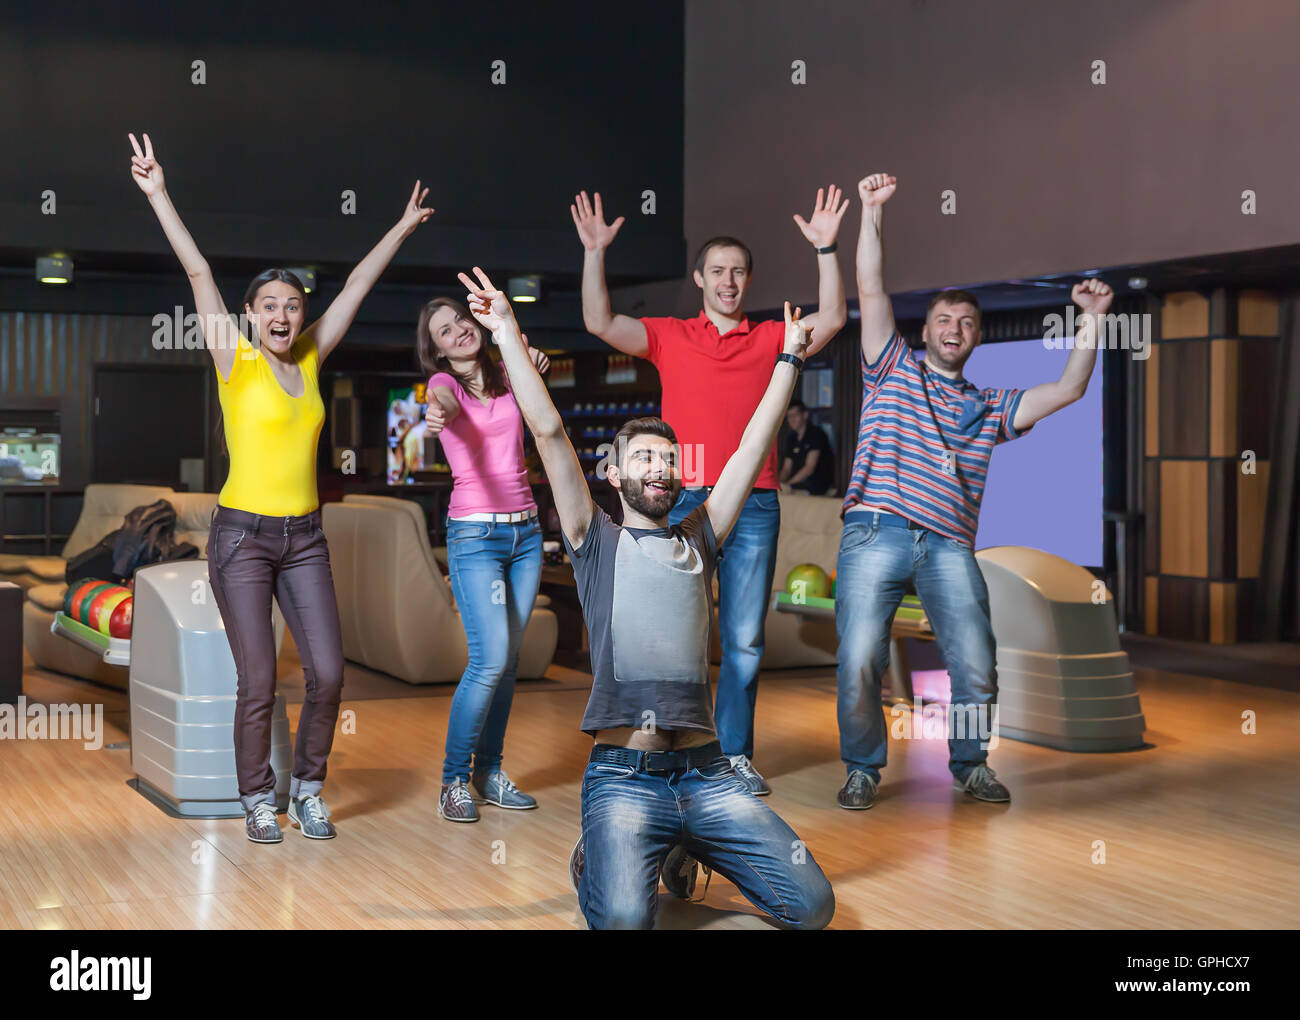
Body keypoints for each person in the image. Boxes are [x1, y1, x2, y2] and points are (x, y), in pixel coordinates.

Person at [456, 266, 834, 930]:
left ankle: (683, 844)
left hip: (708, 774)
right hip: (625, 777)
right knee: (627, 922)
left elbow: (751, 445)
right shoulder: (594, 541)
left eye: (668, 460)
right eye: (644, 459)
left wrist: (788, 357)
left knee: (812, 908)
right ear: (614, 473)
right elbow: (547, 433)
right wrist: (507, 332)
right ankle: (603, 855)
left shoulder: (701, 538)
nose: (660, 468)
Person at [129, 132, 433, 842]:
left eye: (291, 304)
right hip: (241, 539)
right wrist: (158, 194)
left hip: (305, 540)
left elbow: (357, 283)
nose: (281, 314)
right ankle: (256, 797)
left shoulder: (313, 355)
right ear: (249, 314)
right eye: (268, 303)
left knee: (328, 674)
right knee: (259, 683)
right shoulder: (234, 358)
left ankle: (308, 788)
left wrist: (397, 227)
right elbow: (199, 271)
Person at [835, 172, 1113, 810]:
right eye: (942, 318)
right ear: (925, 330)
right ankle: (862, 769)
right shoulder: (890, 366)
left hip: (951, 544)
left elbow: (1068, 389)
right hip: (876, 527)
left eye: (965, 321)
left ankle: (969, 764)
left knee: (976, 661)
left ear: (977, 337)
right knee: (857, 656)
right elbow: (870, 286)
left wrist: (1092, 321)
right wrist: (873, 213)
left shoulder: (992, 407)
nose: (953, 327)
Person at [570, 186, 850, 794]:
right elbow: (598, 321)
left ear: (749, 280)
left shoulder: (773, 336)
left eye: (739, 272)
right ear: (699, 277)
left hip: (756, 501)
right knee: (684, 636)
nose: (729, 281)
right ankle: (679, 748)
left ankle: (734, 757)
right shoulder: (671, 335)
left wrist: (827, 248)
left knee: (745, 640)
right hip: (685, 499)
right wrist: (596, 253)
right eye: (718, 271)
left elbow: (832, 321)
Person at [417, 296, 551, 822]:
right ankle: (453, 780)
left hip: (526, 534)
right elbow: (444, 402)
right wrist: (438, 414)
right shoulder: (443, 386)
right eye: (444, 332)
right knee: (490, 658)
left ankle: (488, 773)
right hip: (474, 535)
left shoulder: (508, 370)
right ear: (437, 350)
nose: (458, 333)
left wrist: (530, 361)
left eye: (461, 322)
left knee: (510, 663)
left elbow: (534, 392)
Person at [778, 399, 834, 495]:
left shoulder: (816, 434)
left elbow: (809, 468)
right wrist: (779, 485)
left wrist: (788, 485)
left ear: (805, 415)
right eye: (789, 416)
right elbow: (786, 468)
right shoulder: (791, 438)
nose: (791, 419)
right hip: (796, 484)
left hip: (816, 485)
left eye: (795, 415)